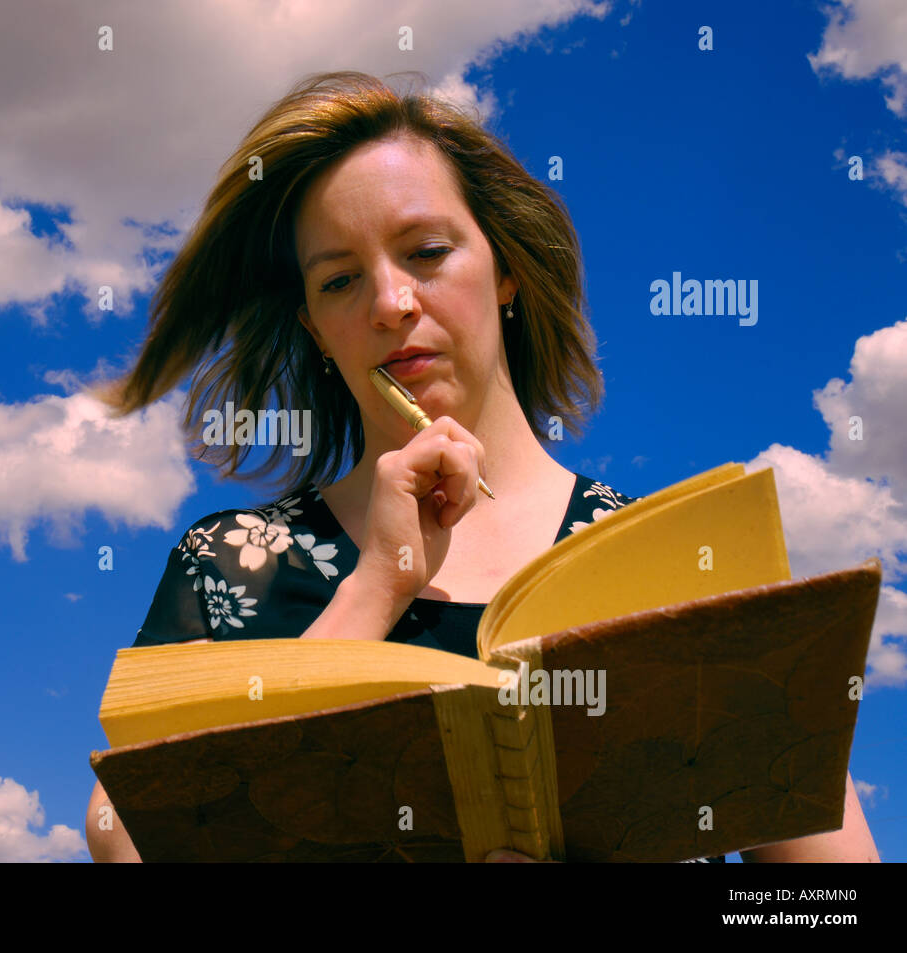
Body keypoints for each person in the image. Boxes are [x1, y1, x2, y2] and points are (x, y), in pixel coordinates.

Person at [83, 70, 879, 864]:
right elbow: (127, 842)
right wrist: (374, 589)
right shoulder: (230, 568)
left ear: (505, 270)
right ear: (317, 330)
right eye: (338, 279)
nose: (389, 302)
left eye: (425, 251)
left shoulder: (685, 563)